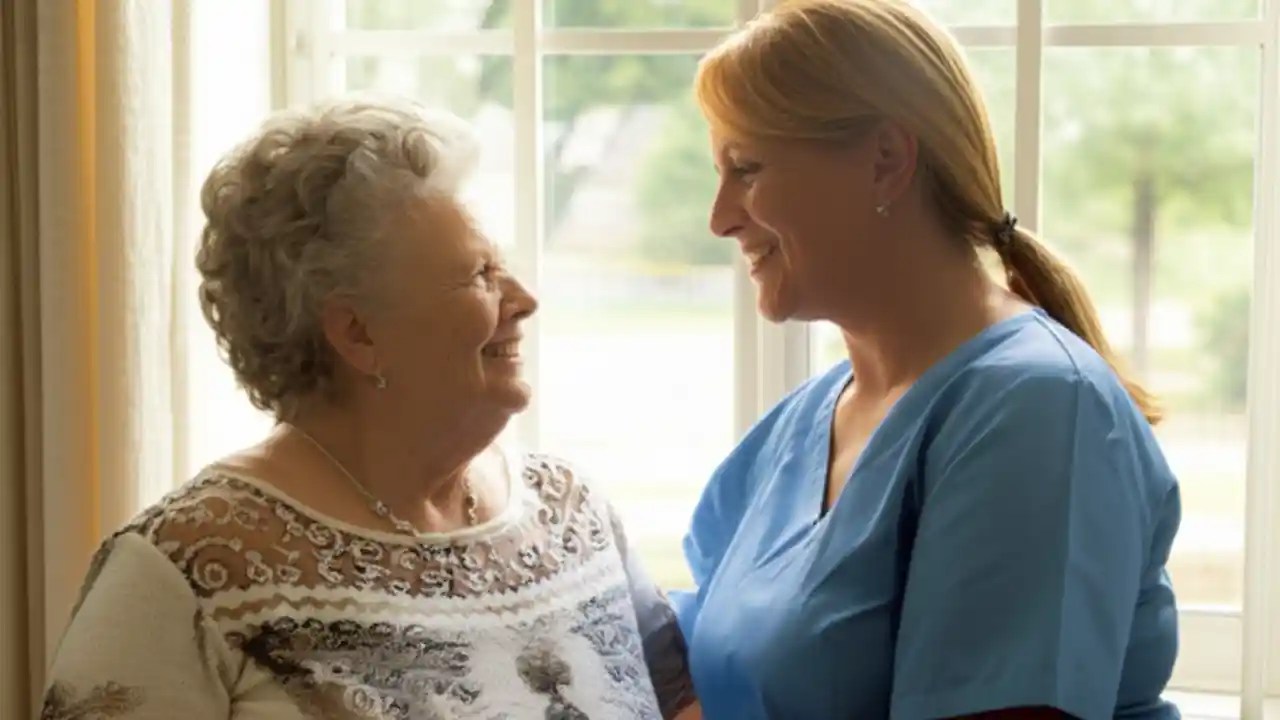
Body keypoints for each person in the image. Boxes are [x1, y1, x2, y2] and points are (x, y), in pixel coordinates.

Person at [41, 97, 695, 720]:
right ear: (357, 334)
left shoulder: (571, 515)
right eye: (480, 275)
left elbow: (682, 703)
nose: (524, 298)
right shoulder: (184, 569)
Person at [671, 1, 1181, 718]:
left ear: (885, 161)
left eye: (746, 169)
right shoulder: (807, 421)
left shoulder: (1036, 411)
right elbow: (696, 682)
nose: (720, 217)